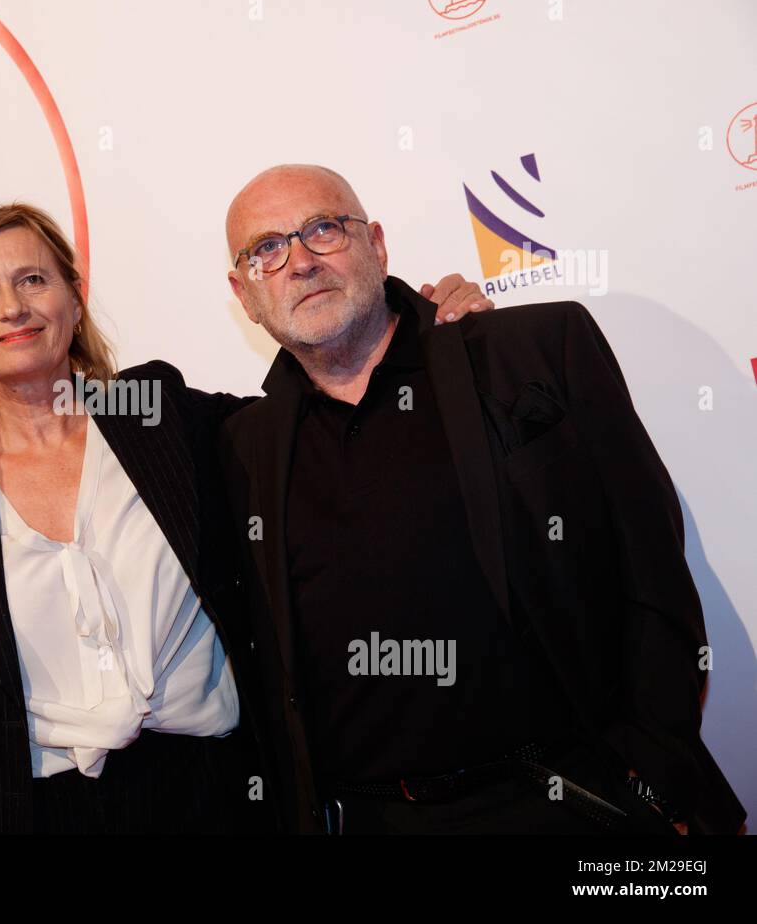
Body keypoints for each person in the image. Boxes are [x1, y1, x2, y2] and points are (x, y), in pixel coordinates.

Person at [0, 201, 490, 833]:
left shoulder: (159, 418)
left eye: (33, 280)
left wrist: (417, 326)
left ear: (75, 300)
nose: (12, 308)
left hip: (219, 796)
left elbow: (319, 420)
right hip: (36, 815)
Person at [218, 163, 747, 834]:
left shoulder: (531, 352)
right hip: (377, 819)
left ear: (376, 246)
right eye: (266, 249)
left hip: (573, 799)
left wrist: (655, 769)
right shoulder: (239, 446)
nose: (298, 261)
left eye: (323, 229)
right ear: (243, 292)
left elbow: (652, 569)